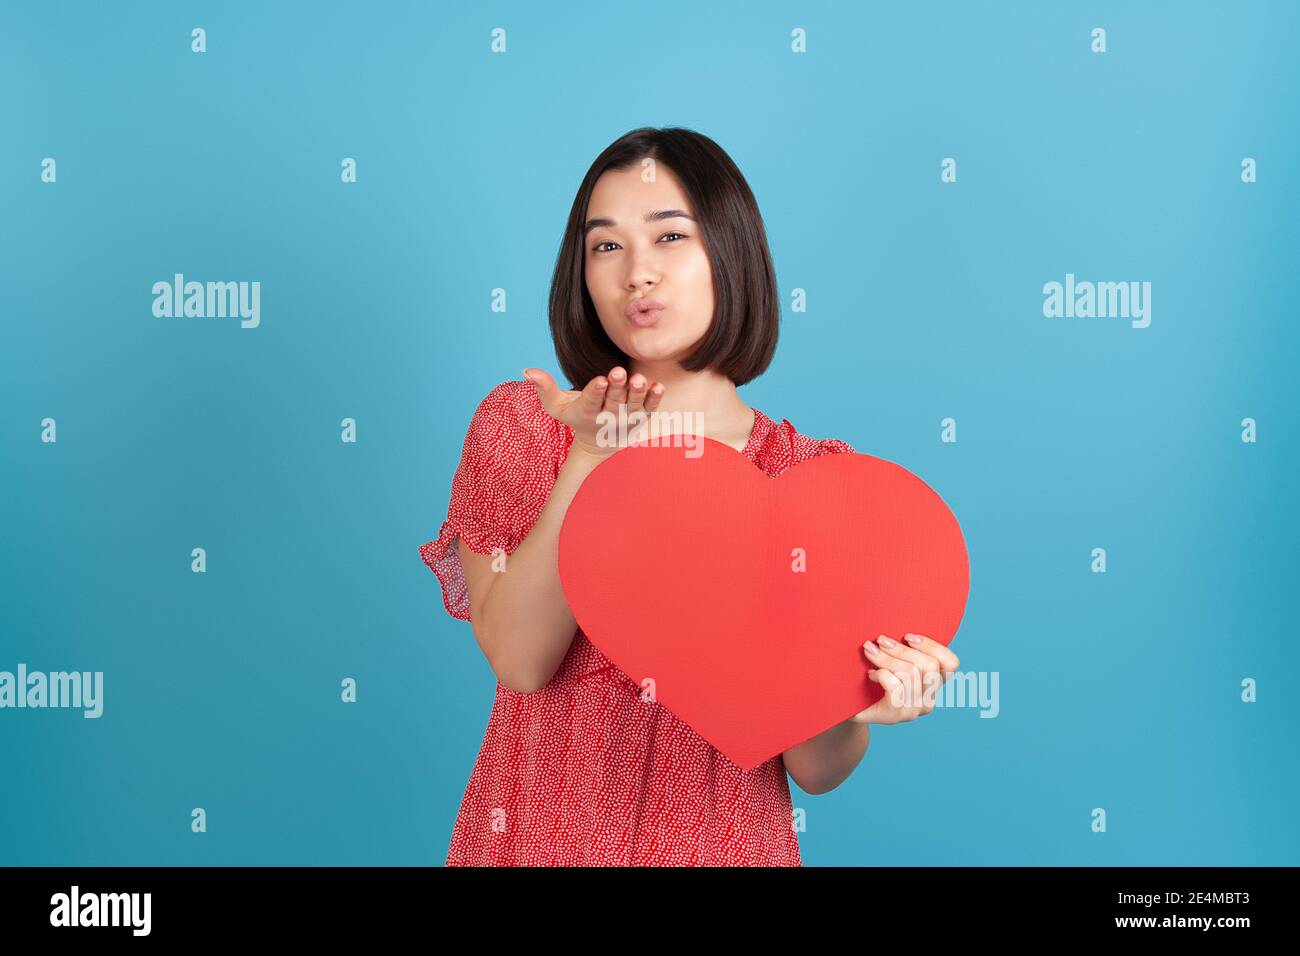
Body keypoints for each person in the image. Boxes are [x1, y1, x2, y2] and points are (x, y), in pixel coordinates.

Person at [419, 126, 959, 866]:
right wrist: (591, 456)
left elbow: (814, 767)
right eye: (605, 246)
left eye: (670, 236)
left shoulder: (809, 481)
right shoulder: (527, 427)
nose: (638, 273)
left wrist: (864, 704)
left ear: (730, 254)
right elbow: (520, 658)